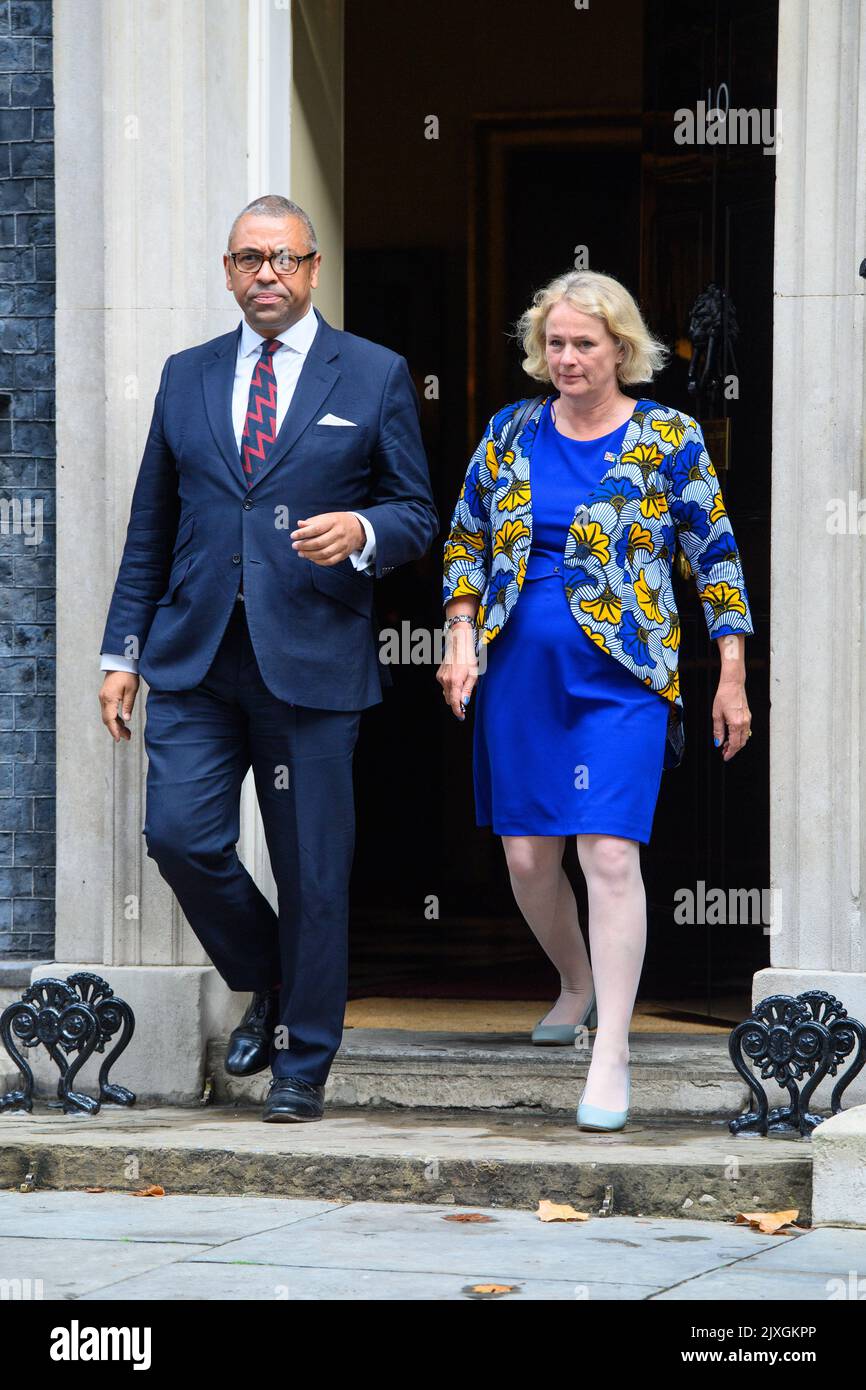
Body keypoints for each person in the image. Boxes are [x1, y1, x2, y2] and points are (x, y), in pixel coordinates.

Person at [98, 194, 438, 1123]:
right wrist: (120, 650)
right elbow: (150, 528)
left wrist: (365, 528)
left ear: (315, 268)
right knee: (180, 836)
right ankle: (277, 982)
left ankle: (302, 1068)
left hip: (313, 661)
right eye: (250, 259)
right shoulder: (187, 376)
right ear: (227, 271)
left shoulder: (371, 375)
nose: (267, 276)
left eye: (285, 259)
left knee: (313, 869)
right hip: (196, 658)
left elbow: (418, 514)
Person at [438, 269, 754, 1132]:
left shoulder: (668, 437)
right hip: (519, 675)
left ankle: (612, 1048)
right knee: (530, 860)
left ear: (622, 347)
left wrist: (730, 672)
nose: (568, 357)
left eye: (585, 342)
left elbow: (715, 558)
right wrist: (459, 635)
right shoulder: (509, 433)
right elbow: (466, 537)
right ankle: (574, 981)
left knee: (610, 856)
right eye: (555, 343)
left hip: (626, 678)